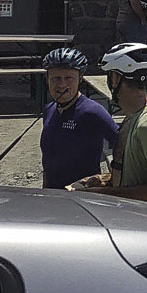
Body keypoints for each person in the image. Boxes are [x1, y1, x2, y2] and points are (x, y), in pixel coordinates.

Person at [73, 43, 147, 206]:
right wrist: (101, 180)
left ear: (115, 78)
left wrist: (105, 194)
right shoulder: (132, 118)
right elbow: (134, 176)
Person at [38, 46, 118, 189]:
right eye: (56, 78)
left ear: (80, 78)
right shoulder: (49, 109)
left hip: (82, 197)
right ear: (47, 78)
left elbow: (124, 146)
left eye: (69, 78)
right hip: (53, 196)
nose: (62, 85)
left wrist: (111, 179)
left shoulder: (92, 111)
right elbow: (48, 158)